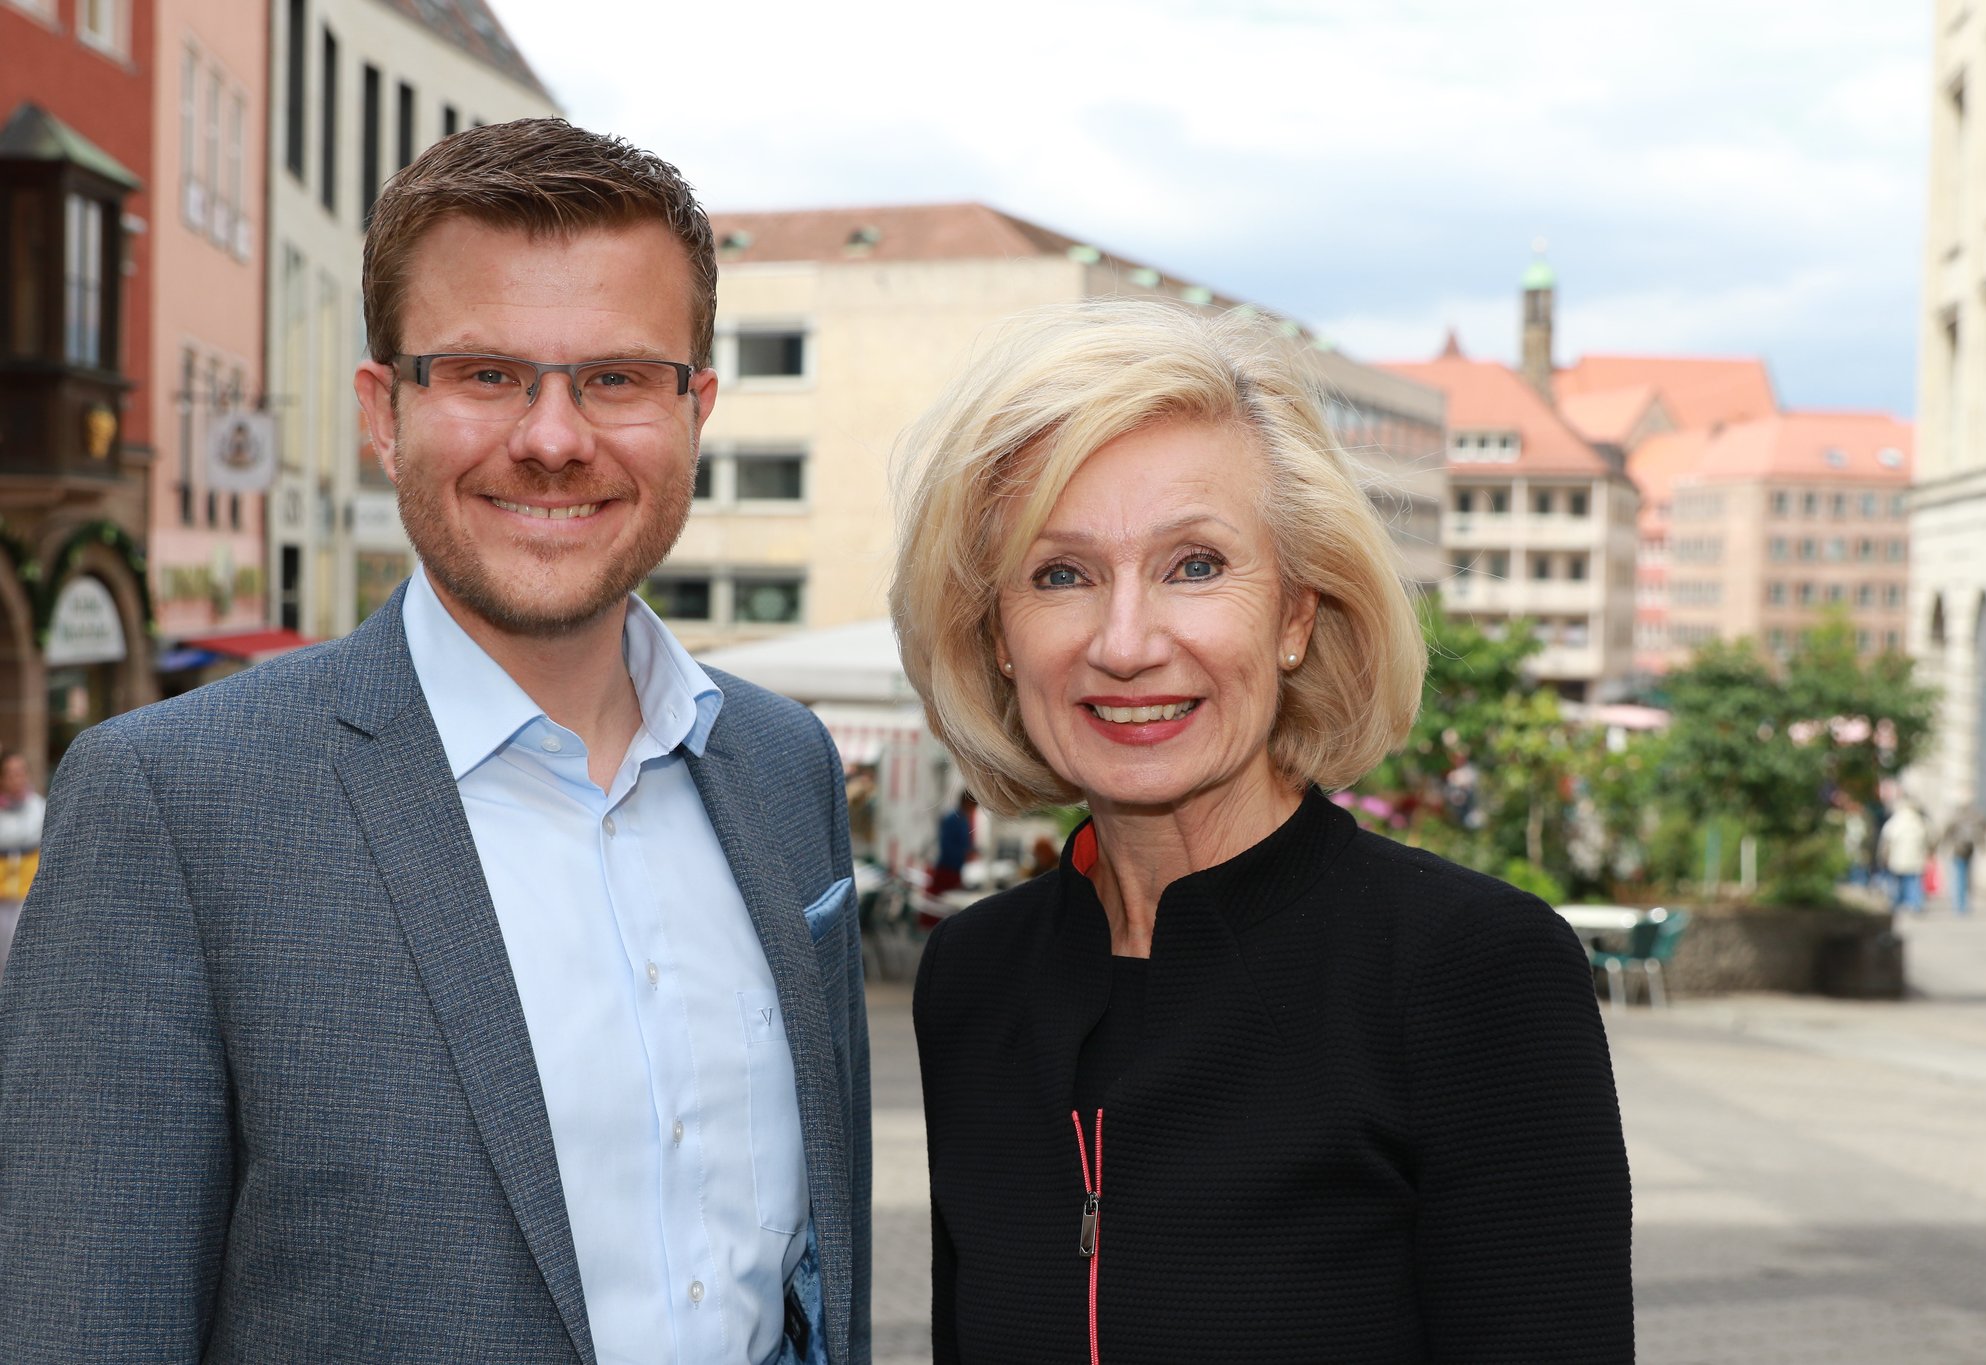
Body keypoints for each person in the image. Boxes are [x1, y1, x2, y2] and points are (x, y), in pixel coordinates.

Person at [0, 120, 870, 1365]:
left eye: (618, 377)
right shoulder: (175, 807)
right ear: (383, 410)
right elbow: (84, 1324)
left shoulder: (782, 771)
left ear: (698, 409)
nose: (555, 437)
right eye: (485, 373)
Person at [890, 299, 1631, 1363]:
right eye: (1061, 574)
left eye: (1194, 565)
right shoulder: (972, 975)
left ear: (1294, 613)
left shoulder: (1467, 971)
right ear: (995, 635)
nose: (1126, 642)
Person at [0, 749, 45, 977]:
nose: (17, 779)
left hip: (27, 896)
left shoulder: (39, 807)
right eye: (10, 774)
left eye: (21, 773)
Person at [1878, 798, 1932, 915]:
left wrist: (1883, 856)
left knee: (1898, 883)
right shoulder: (1920, 822)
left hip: (1897, 857)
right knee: (1914, 882)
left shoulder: (1895, 821)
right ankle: (1916, 904)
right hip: (1916, 857)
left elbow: (1886, 840)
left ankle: (1896, 904)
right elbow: (1930, 837)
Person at [928, 790, 978, 894]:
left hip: (956, 870)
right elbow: (946, 846)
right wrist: (963, 854)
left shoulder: (964, 819)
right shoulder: (953, 819)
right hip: (946, 870)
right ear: (967, 803)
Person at [1942, 803, 1985, 916]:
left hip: (1958, 850)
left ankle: (1959, 904)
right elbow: (1983, 828)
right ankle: (1964, 903)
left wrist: (1944, 845)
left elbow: (1947, 831)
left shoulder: (1956, 817)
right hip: (1969, 850)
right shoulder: (1975, 817)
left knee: (1959, 877)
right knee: (1966, 876)